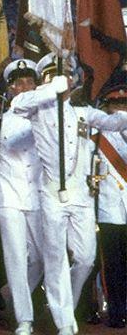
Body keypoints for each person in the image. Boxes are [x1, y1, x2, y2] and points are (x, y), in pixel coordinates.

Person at [10, 53, 127, 335]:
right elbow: (17, 104)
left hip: (81, 196)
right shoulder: (39, 110)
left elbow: (114, 122)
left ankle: (64, 305)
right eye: (52, 77)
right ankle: (64, 322)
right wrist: (51, 89)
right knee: (55, 258)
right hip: (52, 193)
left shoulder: (83, 113)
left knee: (86, 257)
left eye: (66, 77)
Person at [0, 59, 44, 335]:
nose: (24, 87)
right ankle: (24, 320)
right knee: (14, 256)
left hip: (38, 196)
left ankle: (10, 291)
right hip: (8, 196)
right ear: (11, 88)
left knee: (40, 257)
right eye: (19, 83)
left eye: (29, 81)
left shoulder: (46, 115)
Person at [90, 83, 127, 328]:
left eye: (125, 105)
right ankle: (116, 309)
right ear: (107, 108)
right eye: (116, 105)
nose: (121, 111)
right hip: (109, 210)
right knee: (112, 266)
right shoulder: (96, 137)